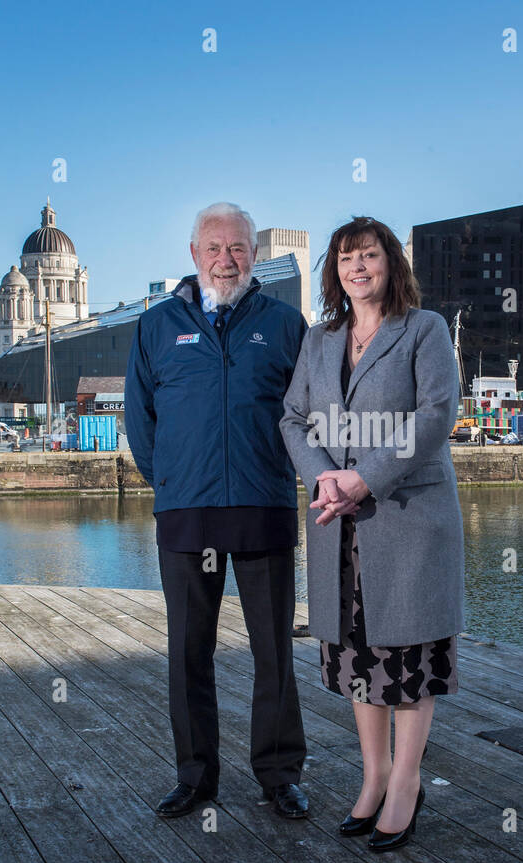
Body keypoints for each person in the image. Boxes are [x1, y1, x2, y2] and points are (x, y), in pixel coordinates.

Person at [280, 216, 464, 852]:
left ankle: (407, 783)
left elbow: (435, 417)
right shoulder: (320, 338)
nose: (357, 268)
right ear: (335, 271)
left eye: (369, 255)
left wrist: (365, 479)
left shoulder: (425, 330)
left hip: (408, 520)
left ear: (391, 263)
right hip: (338, 522)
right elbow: (294, 418)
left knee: (408, 654)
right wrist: (325, 478)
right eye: (345, 258)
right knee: (359, 653)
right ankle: (374, 775)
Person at [125, 202, 310, 820]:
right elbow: (139, 419)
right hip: (187, 514)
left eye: (237, 248)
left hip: (264, 506)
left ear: (253, 255)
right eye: (214, 248)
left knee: (273, 652)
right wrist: (171, 479)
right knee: (188, 652)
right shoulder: (155, 327)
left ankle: (279, 774)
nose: (225, 259)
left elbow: (307, 413)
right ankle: (196, 775)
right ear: (194, 254)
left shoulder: (286, 325)